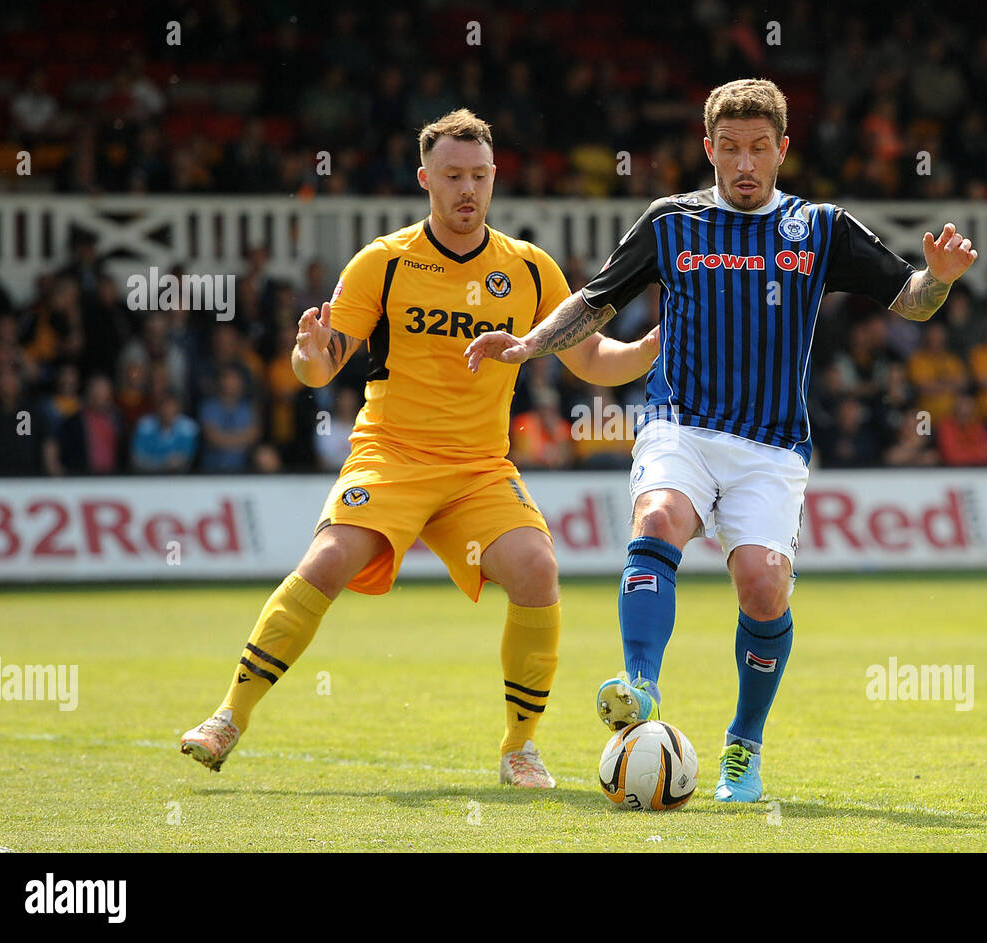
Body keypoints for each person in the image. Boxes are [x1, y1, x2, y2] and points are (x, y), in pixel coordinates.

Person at [466, 80, 977, 802]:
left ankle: (744, 743)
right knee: (657, 520)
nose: (744, 163)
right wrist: (526, 346)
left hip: (771, 445)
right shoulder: (670, 223)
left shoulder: (820, 227)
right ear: (708, 148)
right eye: (730, 148)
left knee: (763, 587)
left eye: (759, 149)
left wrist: (941, 280)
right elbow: (595, 300)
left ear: (782, 151)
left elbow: (910, 299)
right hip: (682, 425)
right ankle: (640, 681)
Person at [180, 110, 657, 788]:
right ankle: (229, 716)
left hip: (478, 469)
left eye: (480, 177)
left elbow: (589, 357)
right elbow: (321, 363)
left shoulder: (528, 269)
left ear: (495, 180)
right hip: (391, 455)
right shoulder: (385, 261)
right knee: (326, 561)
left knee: (536, 569)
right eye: (454, 176)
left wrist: (643, 348)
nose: (468, 190)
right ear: (424, 179)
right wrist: (308, 357)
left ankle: (519, 748)